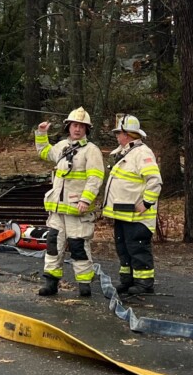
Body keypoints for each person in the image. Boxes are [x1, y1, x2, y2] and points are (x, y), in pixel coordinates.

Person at [34, 107, 105, 298]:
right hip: (57, 210)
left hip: (77, 210)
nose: (78, 129)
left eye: (82, 126)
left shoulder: (91, 151)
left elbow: (95, 178)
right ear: (69, 127)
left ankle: (84, 284)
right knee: (53, 245)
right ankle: (51, 282)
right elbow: (44, 152)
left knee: (78, 246)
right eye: (75, 125)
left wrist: (86, 199)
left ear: (86, 129)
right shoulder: (62, 147)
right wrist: (41, 133)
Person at [104, 114, 160, 296]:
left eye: (118, 133)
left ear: (127, 134)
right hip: (123, 214)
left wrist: (146, 203)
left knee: (138, 249)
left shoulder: (142, 153)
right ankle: (127, 280)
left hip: (138, 216)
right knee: (124, 249)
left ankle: (144, 283)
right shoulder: (125, 153)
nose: (116, 137)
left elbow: (154, 180)